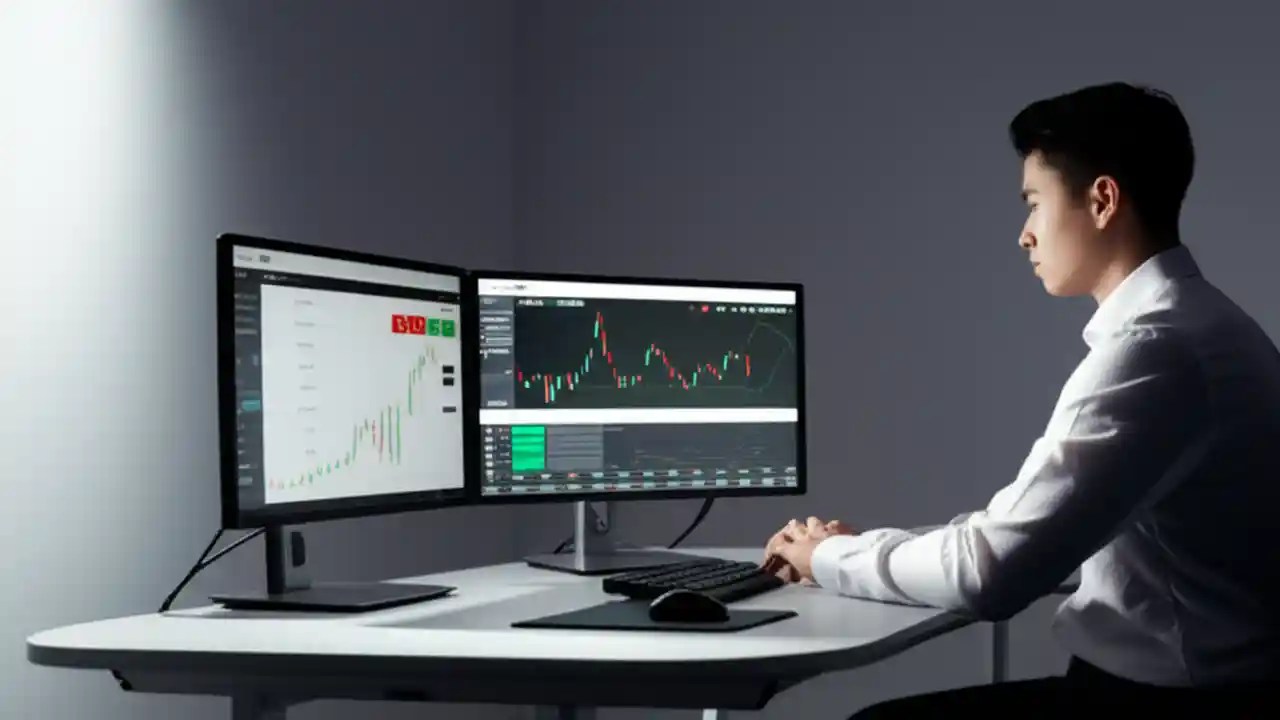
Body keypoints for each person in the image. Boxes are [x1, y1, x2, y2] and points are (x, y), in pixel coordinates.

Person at [763, 82, 1280, 717]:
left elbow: (993, 573)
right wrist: (859, 548)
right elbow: (1016, 527)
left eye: (1034, 203)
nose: (1024, 235)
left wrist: (827, 558)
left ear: (1101, 200)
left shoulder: (1155, 349)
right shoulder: (1205, 326)